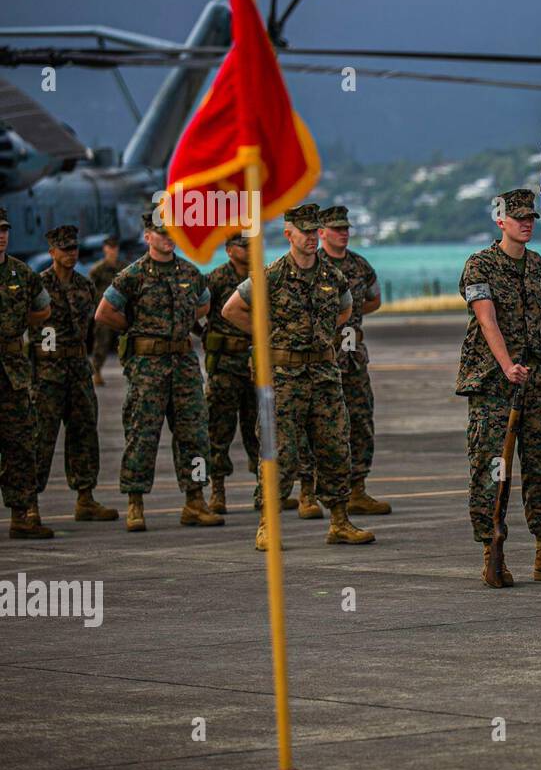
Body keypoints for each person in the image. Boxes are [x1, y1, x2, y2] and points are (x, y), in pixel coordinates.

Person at [221, 203, 374, 550]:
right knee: (281, 452)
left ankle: (339, 520)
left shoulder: (332, 276)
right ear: (288, 234)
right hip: (284, 376)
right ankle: (267, 524)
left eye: (312, 232)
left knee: (335, 446)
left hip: (323, 372)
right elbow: (231, 309)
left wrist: (319, 334)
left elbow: (347, 309)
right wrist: (266, 334)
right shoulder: (272, 275)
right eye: (303, 232)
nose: (309, 239)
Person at [457, 189, 541, 586]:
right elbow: (486, 319)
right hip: (493, 382)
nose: (527, 223)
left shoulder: (536, 266)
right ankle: (493, 549)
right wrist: (506, 366)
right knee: (492, 468)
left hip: (535, 380)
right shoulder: (480, 266)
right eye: (519, 217)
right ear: (500, 221)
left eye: (531, 218)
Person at [95, 212, 224, 532]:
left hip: (182, 365)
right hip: (147, 367)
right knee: (142, 435)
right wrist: (134, 330)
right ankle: (135, 503)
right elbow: (104, 312)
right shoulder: (132, 275)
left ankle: (195, 500)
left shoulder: (191, 273)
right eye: (161, 233)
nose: (168, 238)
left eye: (173, 233)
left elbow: (204, 304)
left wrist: (179, 325)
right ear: (147, 236)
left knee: (194, 435)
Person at [296, 204, 391, 518]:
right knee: (314, 424)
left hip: (353, 357)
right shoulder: (311, 265)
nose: (344, 233)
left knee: (360, 421)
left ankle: (357, 489)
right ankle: (308, 492)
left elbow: (374, 299)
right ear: (322, 233)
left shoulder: (360, 266)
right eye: (337, 229)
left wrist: (352, 320)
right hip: (319, 357)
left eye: (346, 228)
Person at [30, 224, 117, 525]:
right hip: (48, 371)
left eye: (74, 249)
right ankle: (29, 504)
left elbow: (91, 330)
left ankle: (85, 497)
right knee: (41, 437)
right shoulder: (37, 285)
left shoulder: (85, 286)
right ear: (52, 252)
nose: (71, 254)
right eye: (65, 249)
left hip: (79, 369)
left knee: (84, 433)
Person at [0, 206, 54, 538]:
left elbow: (42, 309)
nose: (1, 235)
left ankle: (23, 515)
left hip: (13, 373)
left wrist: (14, 329)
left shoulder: (23, 274)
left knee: (20, 444)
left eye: (4, 229)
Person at [201, 233, 261, 515]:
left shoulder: (261, 277)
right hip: (224, 366)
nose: (249, 250)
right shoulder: (214, 279)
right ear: (228, 250)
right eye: (243, 246)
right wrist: (209, 338)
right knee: (218, 430)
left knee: (259, 430)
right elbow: (195, 312)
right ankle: (217, 491)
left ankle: (266, 489)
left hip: (254, 363)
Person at [88, 236, 121, 386]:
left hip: (121, 312)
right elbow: (90, 290)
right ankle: (96, 372)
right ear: (104, 249)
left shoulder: (124, 268)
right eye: (109, 247)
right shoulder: (97, 270)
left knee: (125, 344)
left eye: (114, 247)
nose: (112, 250)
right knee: (101, 343)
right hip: (105, 313)